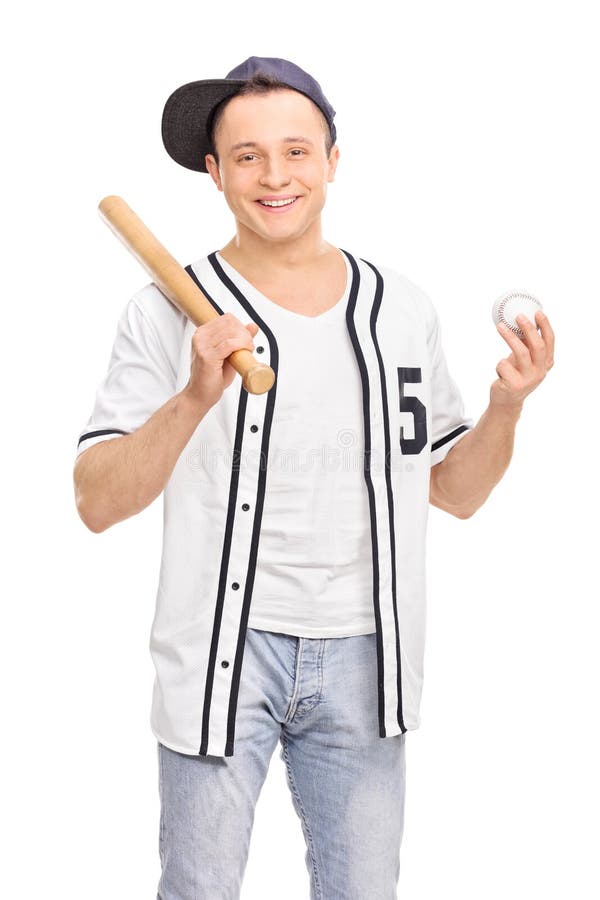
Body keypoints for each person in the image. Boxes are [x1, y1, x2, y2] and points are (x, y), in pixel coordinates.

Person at [73, 56, 554, 900]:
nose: (275, 175)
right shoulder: (166, 312)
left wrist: (505, 408)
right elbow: (94, 501)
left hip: (370, 657)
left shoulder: (400, 308)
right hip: (225, 652)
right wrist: (195, 395)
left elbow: (456, 492)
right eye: (248, 156)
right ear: (215, 173)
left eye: (296, 151)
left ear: (333, 160)